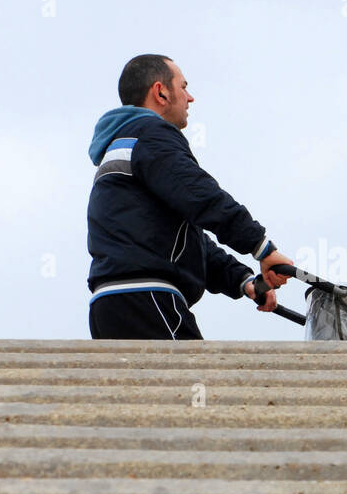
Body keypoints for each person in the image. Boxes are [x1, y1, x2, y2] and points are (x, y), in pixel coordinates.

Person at [86, 54, 294, 340]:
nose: (191, 97)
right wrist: (263, 248)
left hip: (111, 305)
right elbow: (201, 197)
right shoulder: (151, 134)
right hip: (149, 300)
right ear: (160, 91)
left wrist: (242, 281)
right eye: (183, 86)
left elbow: (185, 237)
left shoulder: (124, 144)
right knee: (193, 383)